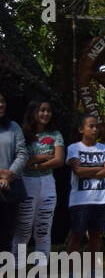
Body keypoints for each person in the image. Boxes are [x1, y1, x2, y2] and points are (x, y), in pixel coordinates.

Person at [15, 100, 63, 269]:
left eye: (48, 111)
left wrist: (36, 164)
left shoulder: (55, 134)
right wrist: (42, 158)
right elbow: (21, 160)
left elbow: (59, 159)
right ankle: (16, 270)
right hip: (27, 183)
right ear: (33, 112)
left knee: (43, 230)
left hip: (48, 184)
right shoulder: (22, 133)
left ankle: (39, 271)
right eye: (42, 110)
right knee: (23, 229)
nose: (46, 114)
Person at [66, 114, 105, 278]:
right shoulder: (73, 148)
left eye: (97, 126)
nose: (95, 129)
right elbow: (77, 171)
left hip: (101, 199)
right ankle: (71, 272)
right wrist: (99, 168)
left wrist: (89, 170)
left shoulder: (104, 148)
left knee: (95, 236)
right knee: (76, 235)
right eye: (91, 126)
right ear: (81, 129)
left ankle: (94, 270)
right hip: (80, 200)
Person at [0, 94, 31, 278]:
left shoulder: (13, 127)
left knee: (4, 235)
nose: (1, 104)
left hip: (8, 188)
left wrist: (9, 175)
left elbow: (23, 153)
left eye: (3, 101)